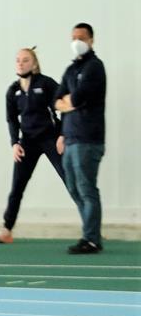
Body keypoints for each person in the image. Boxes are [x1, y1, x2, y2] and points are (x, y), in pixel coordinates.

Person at [0, 48, 62, 245]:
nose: (21, 63)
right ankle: (7, 229)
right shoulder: (13, 90)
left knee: (71, 180)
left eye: (25, 60)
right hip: (28, 142)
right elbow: (11, 120)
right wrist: (14, 143)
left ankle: (91, 229)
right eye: (18, 60)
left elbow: (62, 108)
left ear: (34, 64)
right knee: (17, 186)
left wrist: (62, 135)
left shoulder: (46, 83)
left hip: (49, 139)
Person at [56, 23, 106, 255]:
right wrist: (66, 103)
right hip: (71, 138)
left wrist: (69, 102)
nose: (77, 41)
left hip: (88, 139)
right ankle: (90, 231)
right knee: (73, 186)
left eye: (82, 37)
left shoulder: (95, 67)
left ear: (91, 40)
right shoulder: (70, 70)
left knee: (86, 188)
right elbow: (57, 101)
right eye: (73, 37)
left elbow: (77, 98)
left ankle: (92, 239)